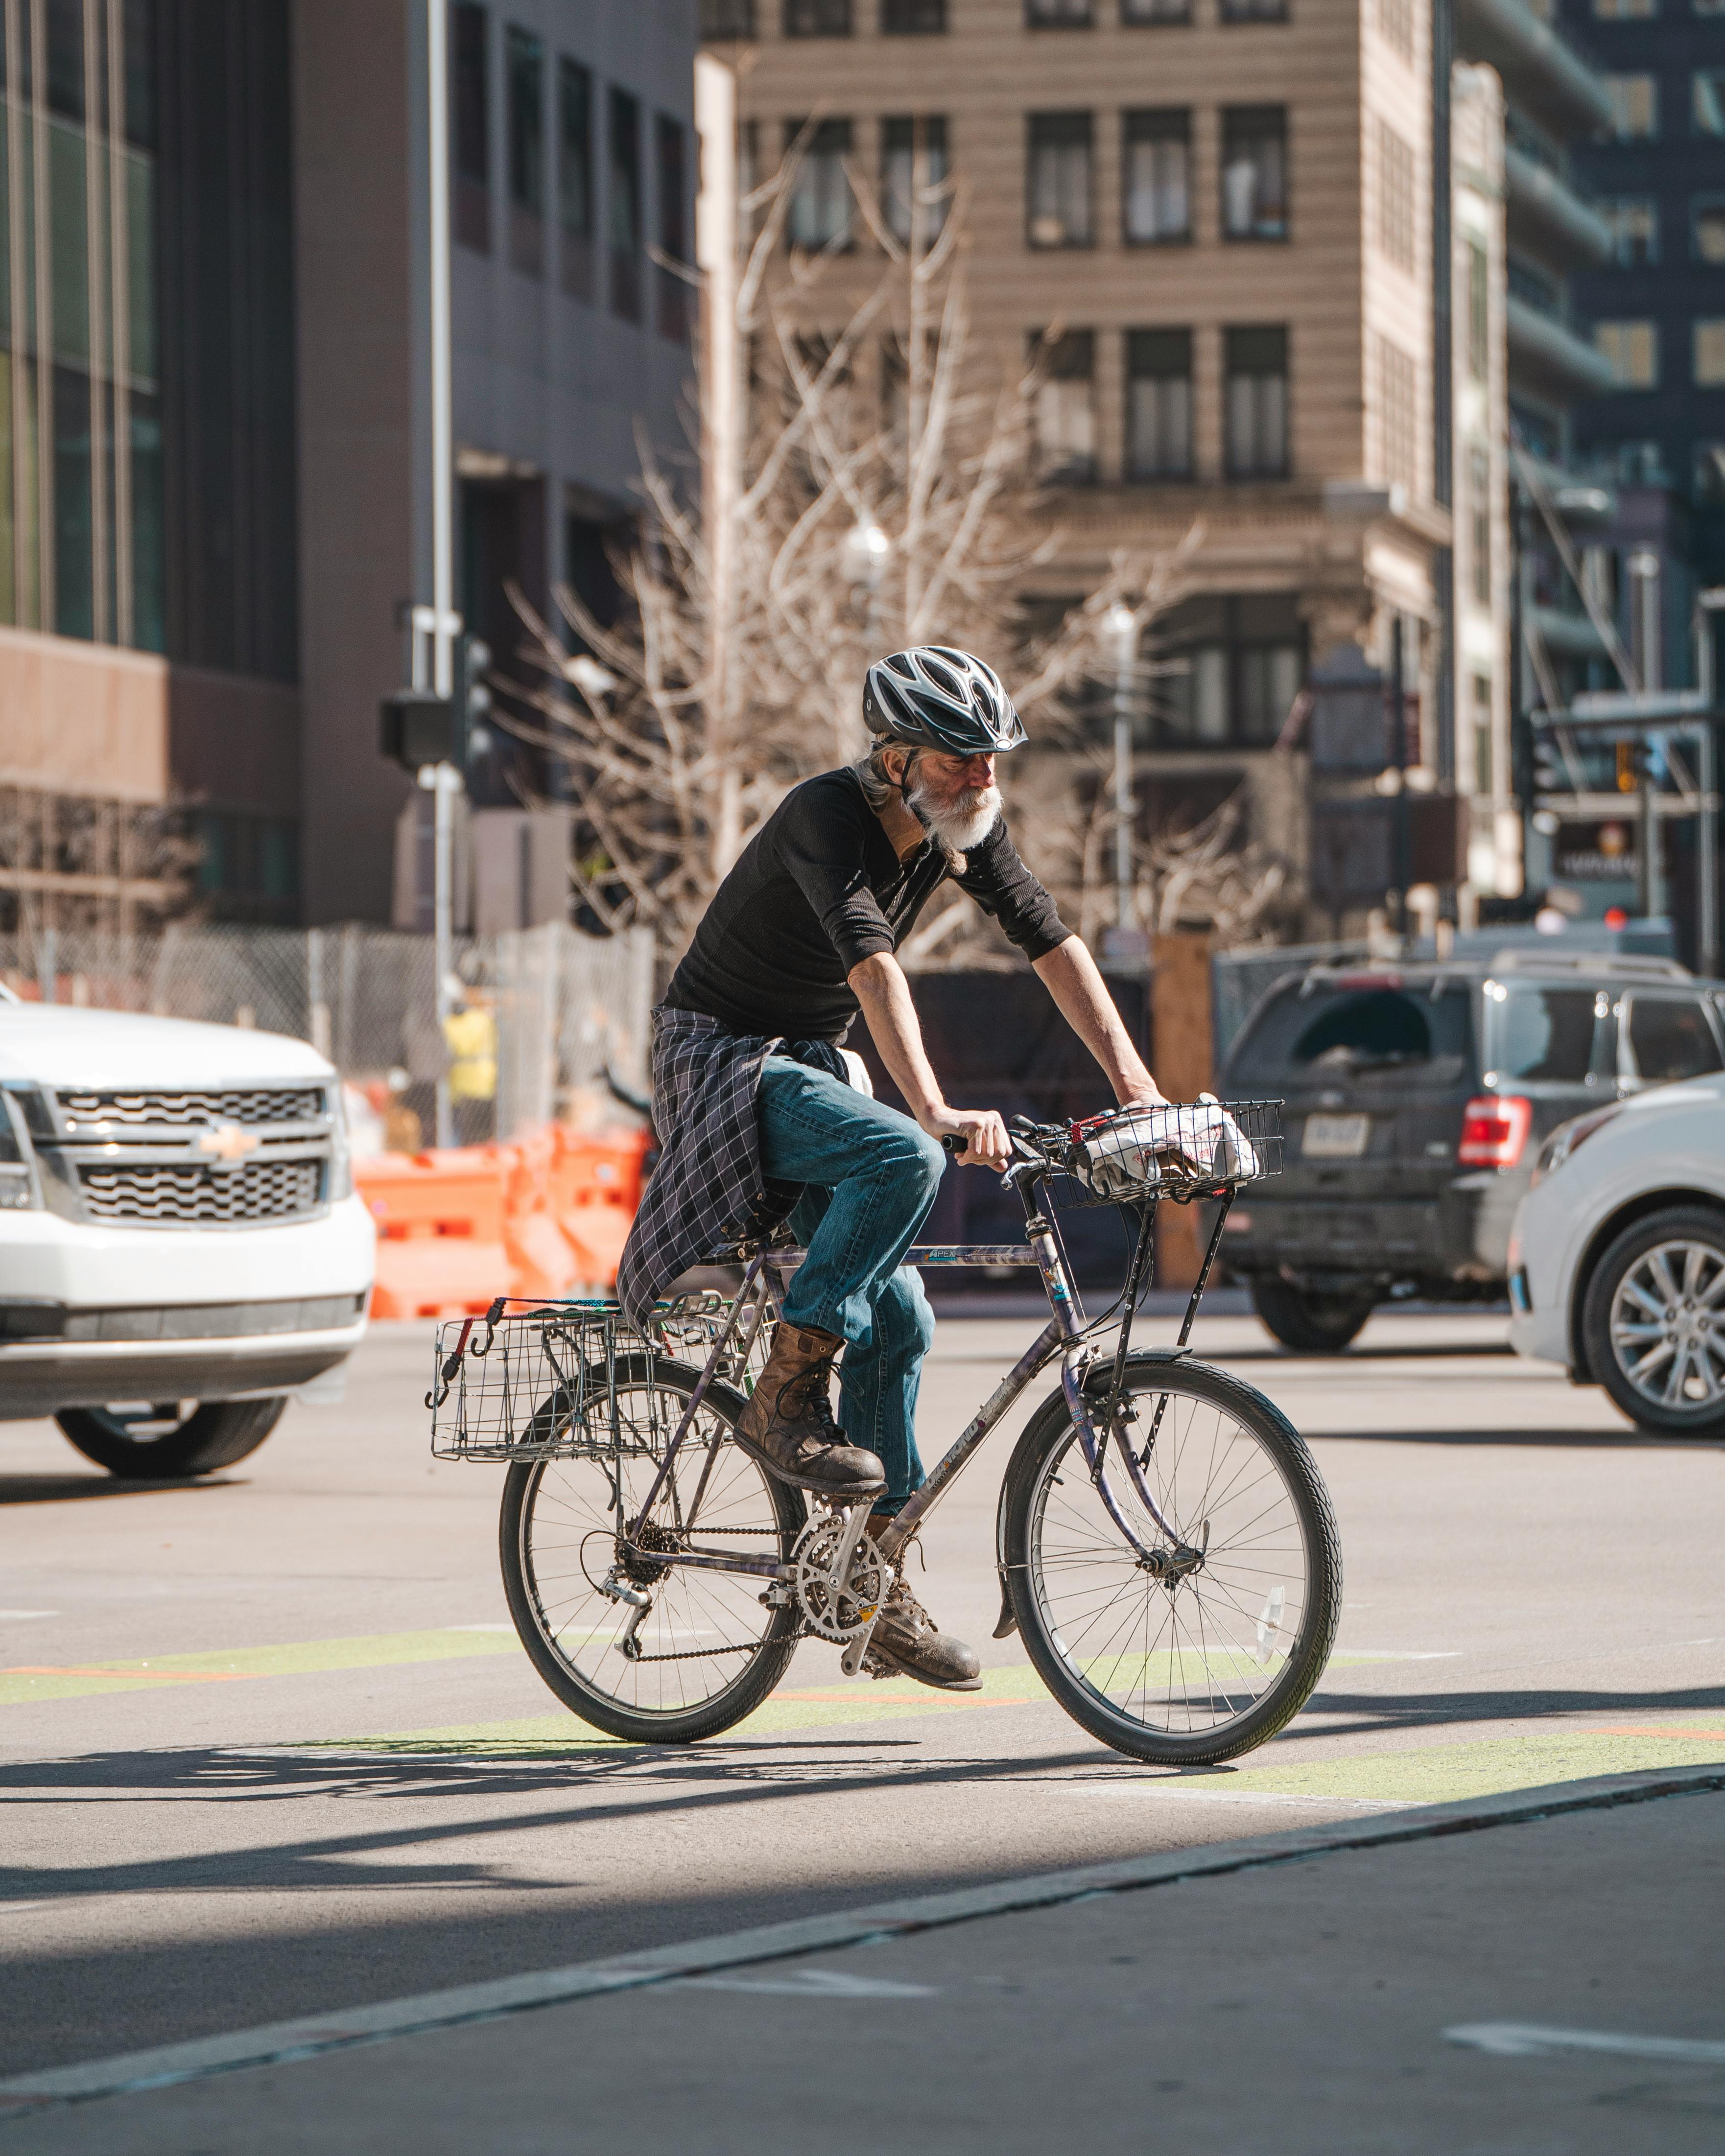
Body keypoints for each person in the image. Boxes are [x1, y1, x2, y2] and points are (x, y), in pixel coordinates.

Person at [618, 646, 1164, 1690]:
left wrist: (1138, 1092)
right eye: (961, 760)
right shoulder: (824, 818)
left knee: (904, 1313)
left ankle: (867, 1583)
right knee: (901, 1153)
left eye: (993, 759)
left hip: (807, 1068)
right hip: (720, 1059)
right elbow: (874, 968)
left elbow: (1053, 944)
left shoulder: (965, 833)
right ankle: (784, 1394)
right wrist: (935, 1111)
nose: (984, 778)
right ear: (897, 754)